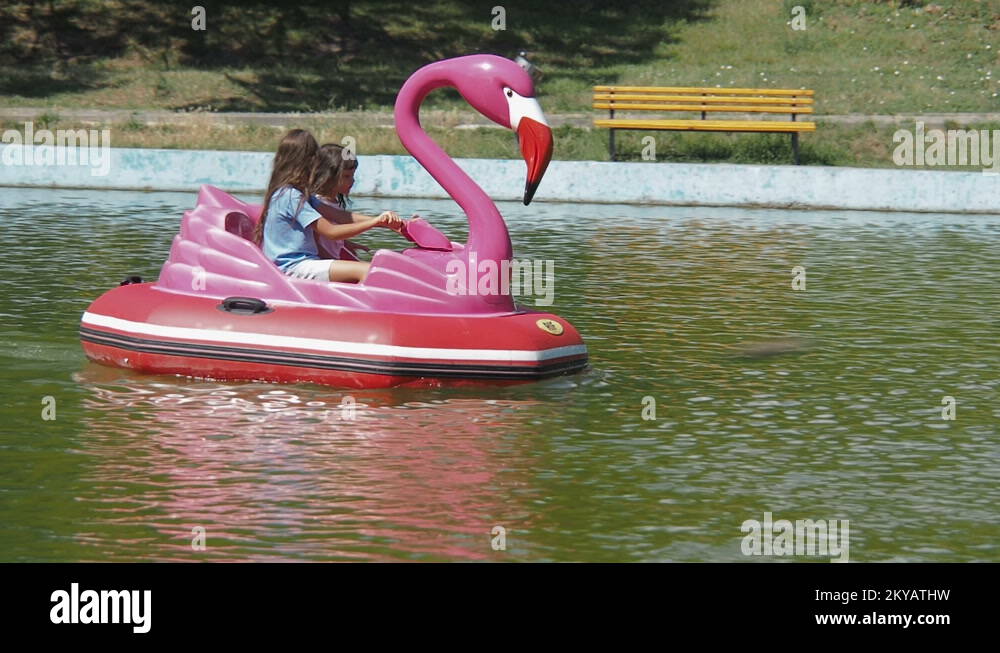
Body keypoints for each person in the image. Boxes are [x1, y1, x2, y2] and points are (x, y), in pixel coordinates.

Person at [254, 130, 402, 283]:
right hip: (292, 266)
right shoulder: (290, 196)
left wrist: (385, 222)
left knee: (366, 268)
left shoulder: (299, 194)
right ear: (304, 161)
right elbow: (331, 232)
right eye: (314, 157)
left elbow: (341, 216)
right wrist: (374, 222)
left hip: (303, 263)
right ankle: (362, 306)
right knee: (367, 271)